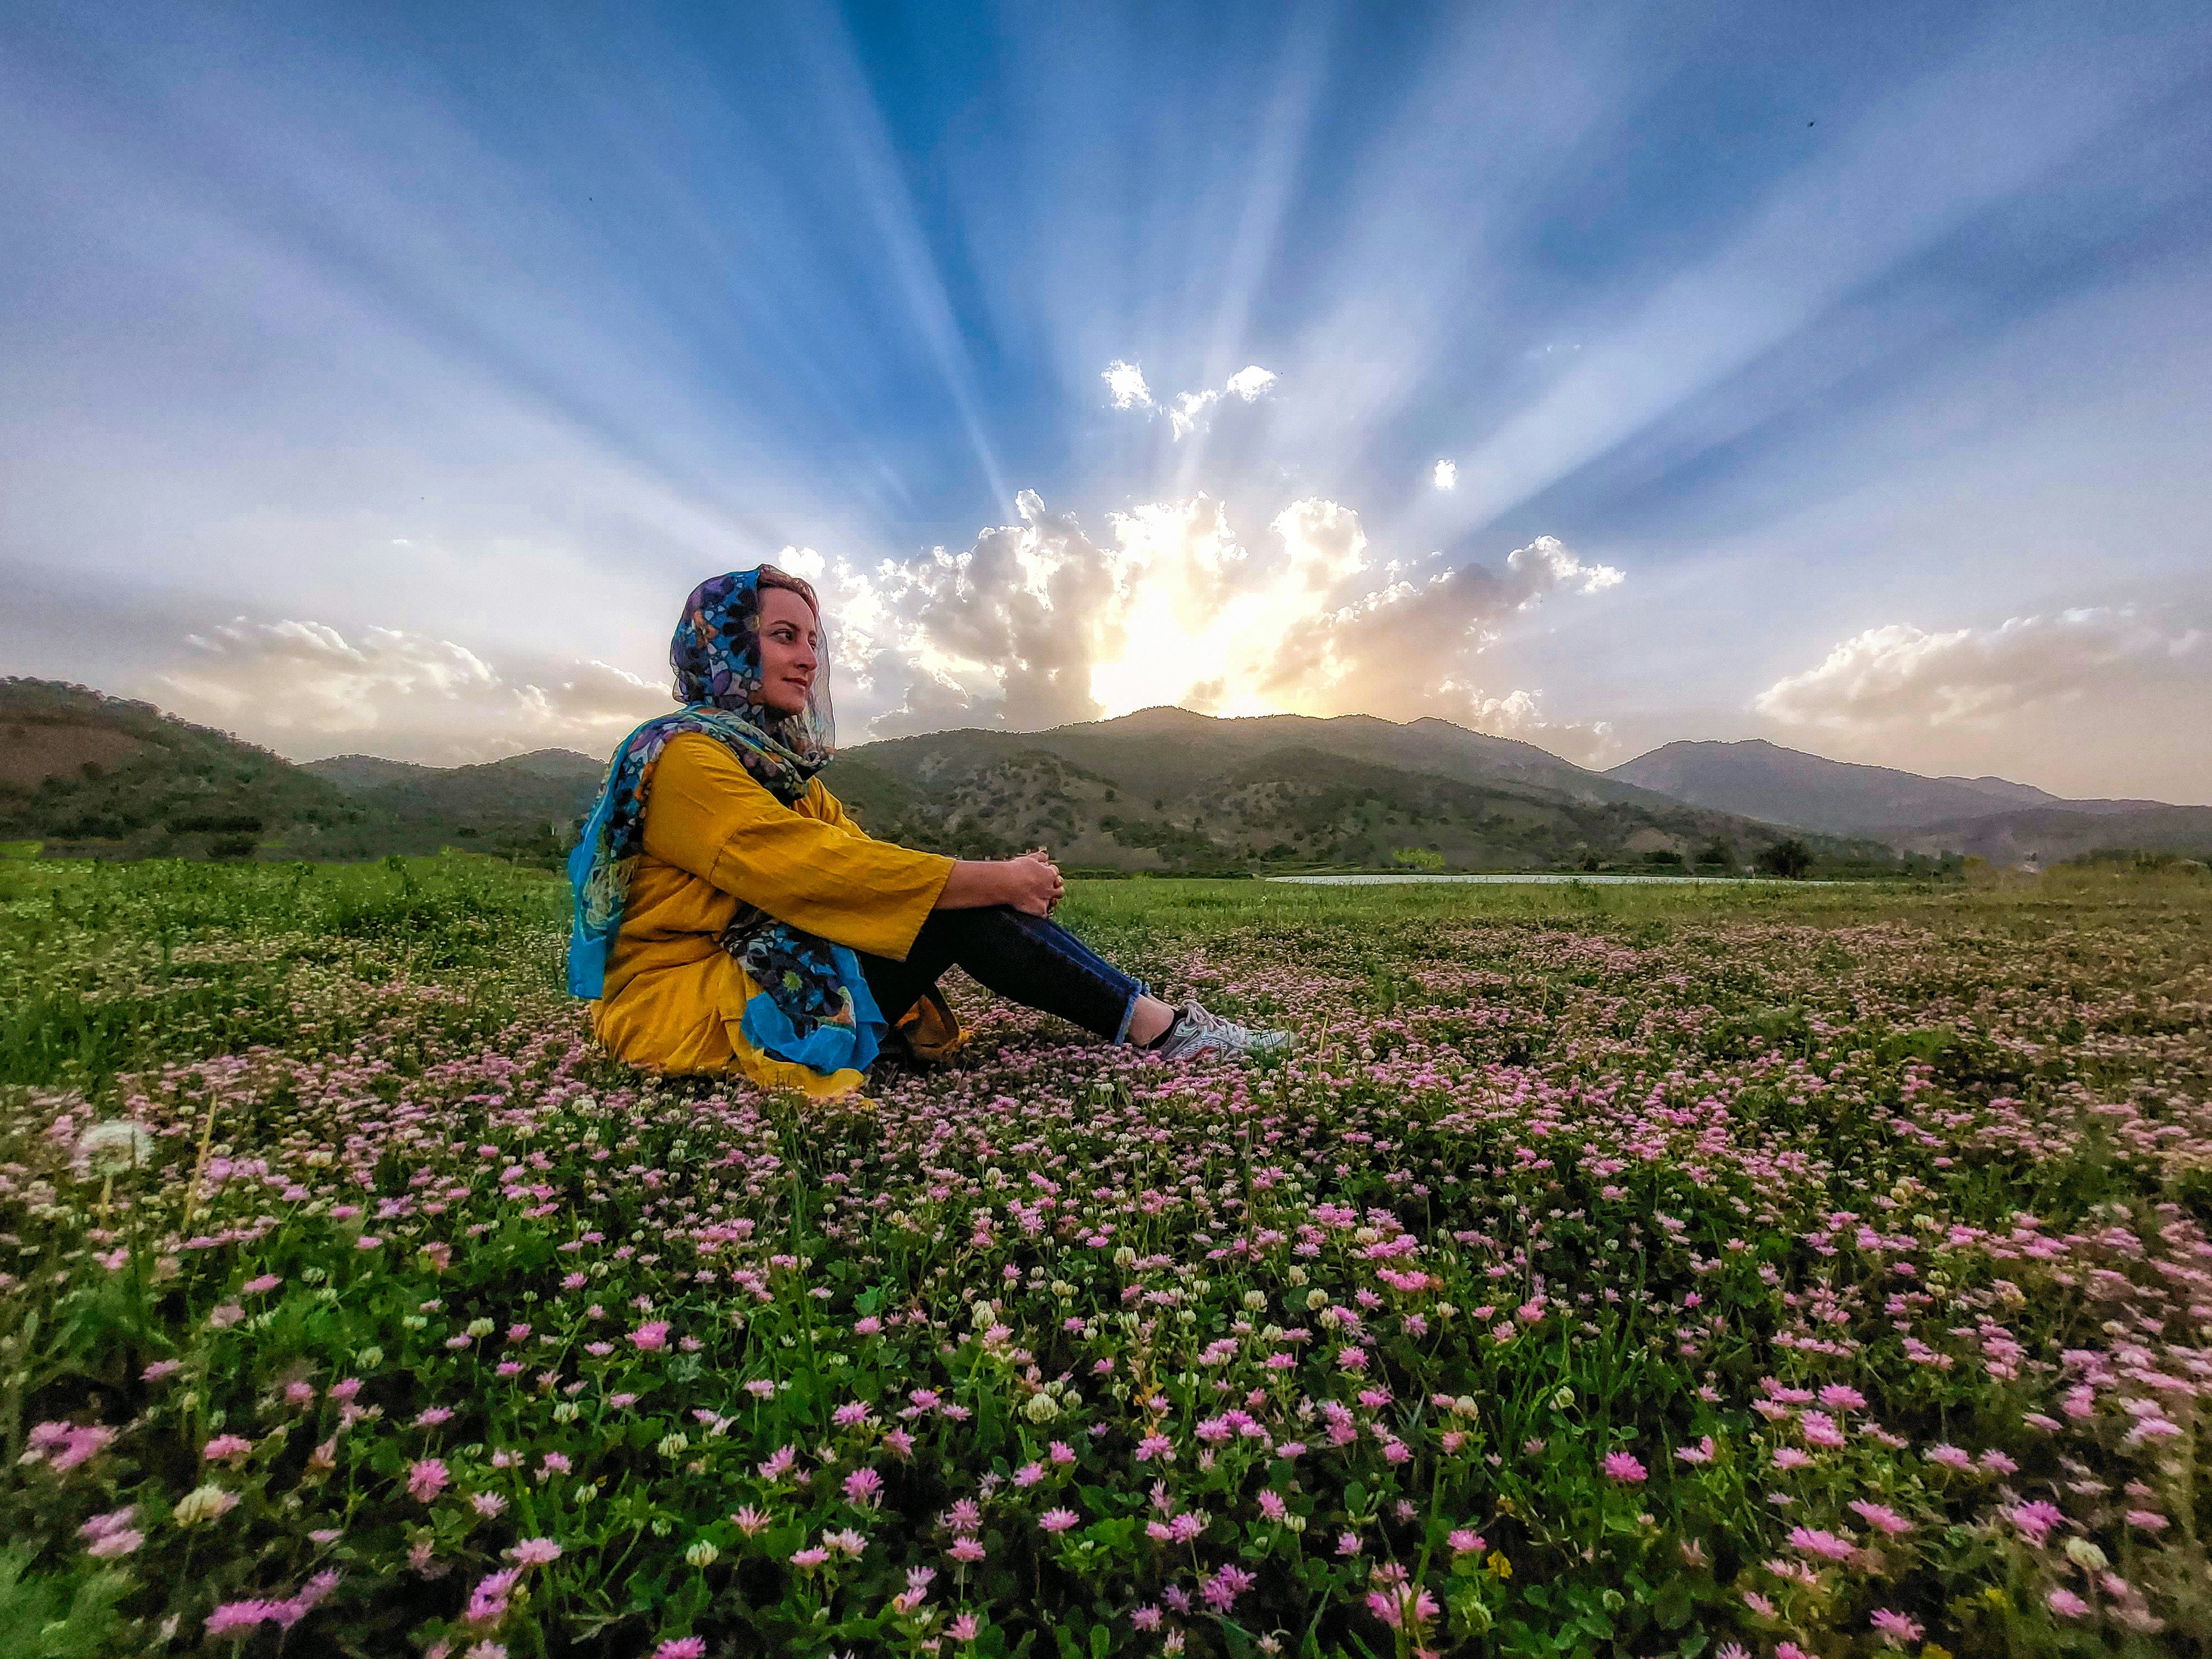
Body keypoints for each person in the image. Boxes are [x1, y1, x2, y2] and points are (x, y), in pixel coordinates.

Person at [566, 566, 1290, 1100]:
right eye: (783, 636)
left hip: (769, 966)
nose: (808, 658)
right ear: (722, 645)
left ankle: (1159, 1025)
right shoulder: (684, 758)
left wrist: (987, 880)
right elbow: (809, 871)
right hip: (692, 1001)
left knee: (958, 900)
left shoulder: (777, 766)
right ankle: (1165, 1033)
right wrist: (995, 880)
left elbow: (861, 856)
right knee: (962, 906)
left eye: (812, 640)